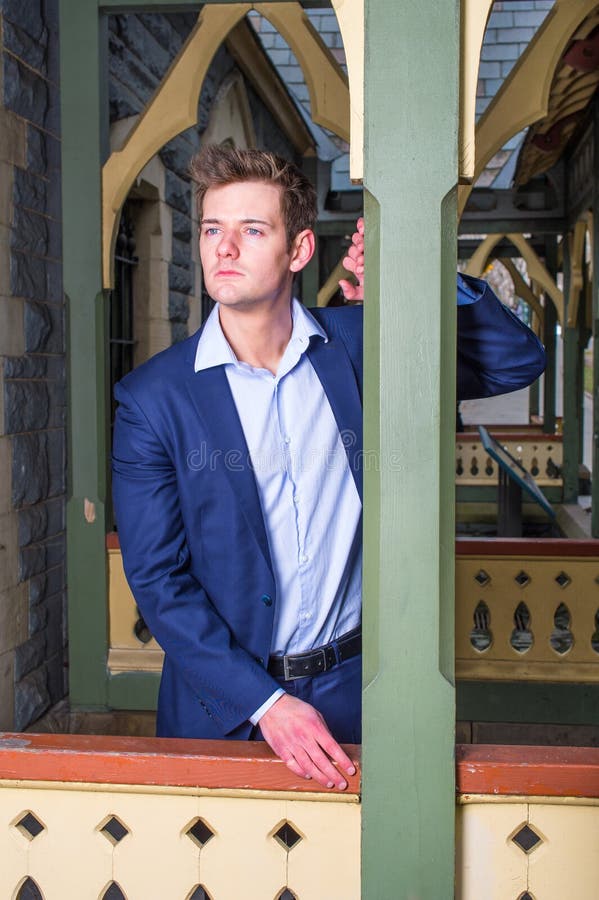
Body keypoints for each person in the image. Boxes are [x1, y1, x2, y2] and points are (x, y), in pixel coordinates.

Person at [112, 145, 545, 792]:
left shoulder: (361, 346)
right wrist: (264, 703)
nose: (223, 249)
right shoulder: (152, 399)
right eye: (211, 229)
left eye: (251, 230)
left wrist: (425, 280)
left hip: (359, 688)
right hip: (220, 705)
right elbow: (158, 580)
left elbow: (514, 365)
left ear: (299, 250)